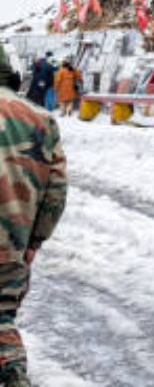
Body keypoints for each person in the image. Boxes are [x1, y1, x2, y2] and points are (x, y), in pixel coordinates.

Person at [0, 46, 68, 385]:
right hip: (11, 242)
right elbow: (56, 189)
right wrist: (34, 241)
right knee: (1, 318)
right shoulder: (41, 118)